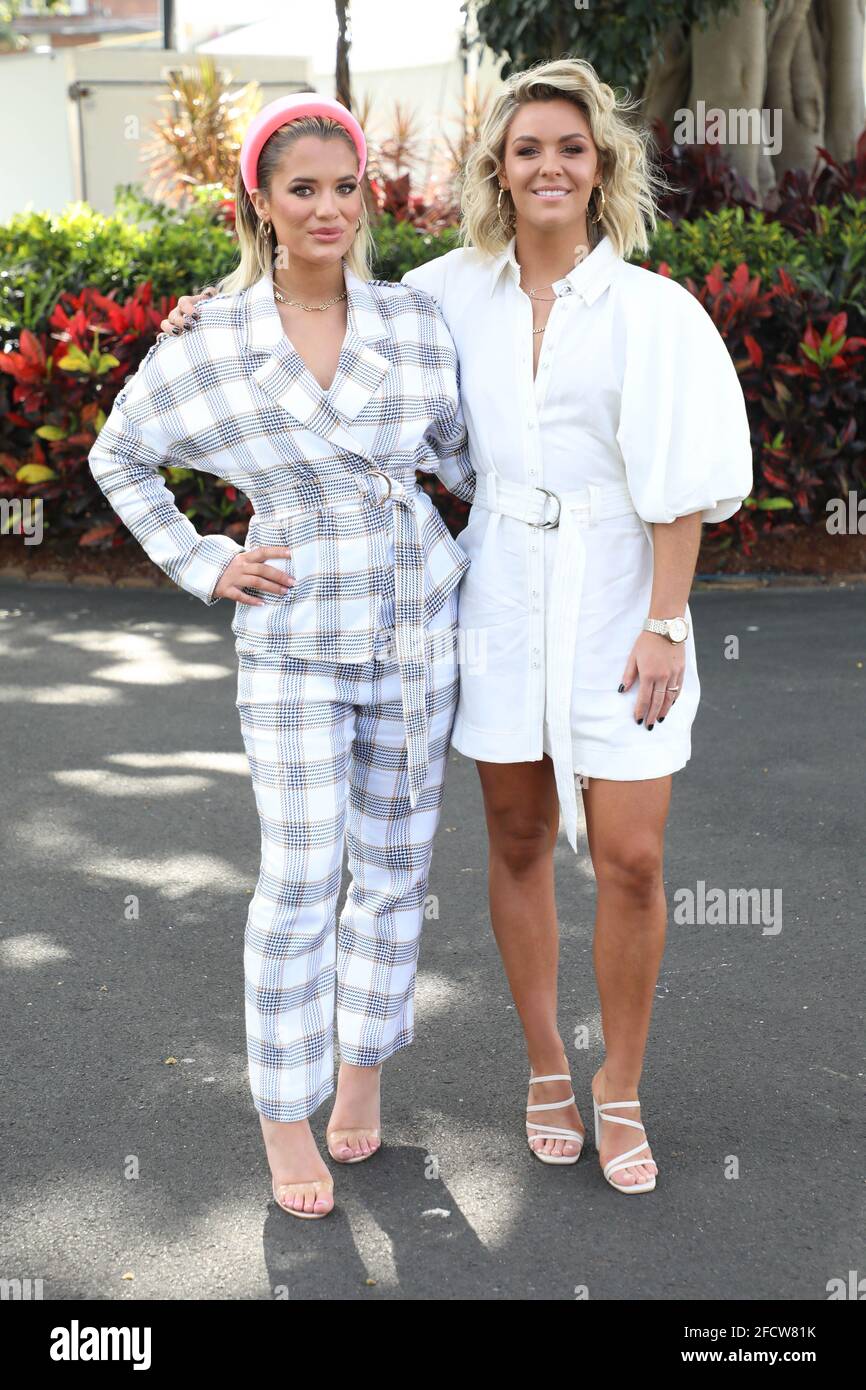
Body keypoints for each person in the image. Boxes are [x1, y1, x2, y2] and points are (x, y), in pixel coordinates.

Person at [165, 59, 753, 1195]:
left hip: (623, 599)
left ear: (601, 169)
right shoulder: (441, 293)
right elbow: (315, 295)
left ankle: (617, 1085)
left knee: (629, 856)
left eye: (569, 149)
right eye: (526, 148)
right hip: (487, 593)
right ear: (498, 167)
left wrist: (666, 623)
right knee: (519, 838)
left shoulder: (652, 310)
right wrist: (205, 315)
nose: (547, 166)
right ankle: (543, 1065)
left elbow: (678, 486)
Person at [89, 93, 476, 1219]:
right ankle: (282, 1114)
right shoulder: (209, 341)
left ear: (367, 195)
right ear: (259, 201)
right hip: (296, 636)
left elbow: (463, 457)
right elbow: (122, 459)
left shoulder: (411, 322)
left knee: (396, 866)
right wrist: (206, 560)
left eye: (344, 187)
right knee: (302, 879)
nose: (326, 209)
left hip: (414, 624)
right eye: (300, 188)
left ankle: (362, 1074)